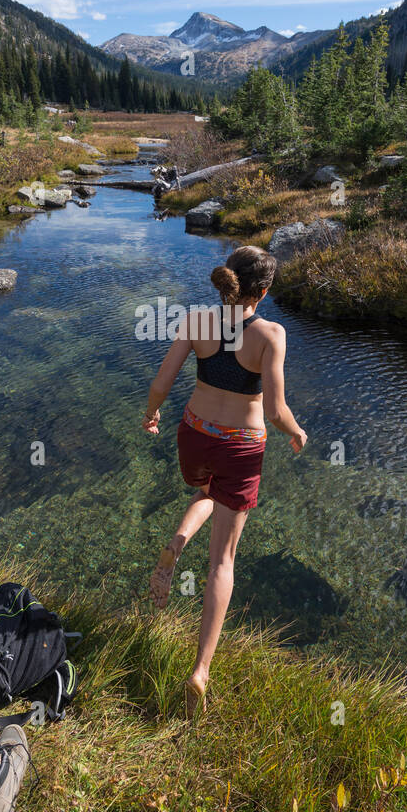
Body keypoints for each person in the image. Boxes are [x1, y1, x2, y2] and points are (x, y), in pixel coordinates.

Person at [142, 245, 307, 716]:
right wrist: (296, 432)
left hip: (195, 435)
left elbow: (162, 381)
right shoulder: (270, 334)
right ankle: (200, 670)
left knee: (204, 491)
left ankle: (175, 545)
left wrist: (151, 415)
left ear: (226, 280)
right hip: (241, 445)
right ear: (265, 290)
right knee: (222, 563)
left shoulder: (196, 321)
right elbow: (275, 411)